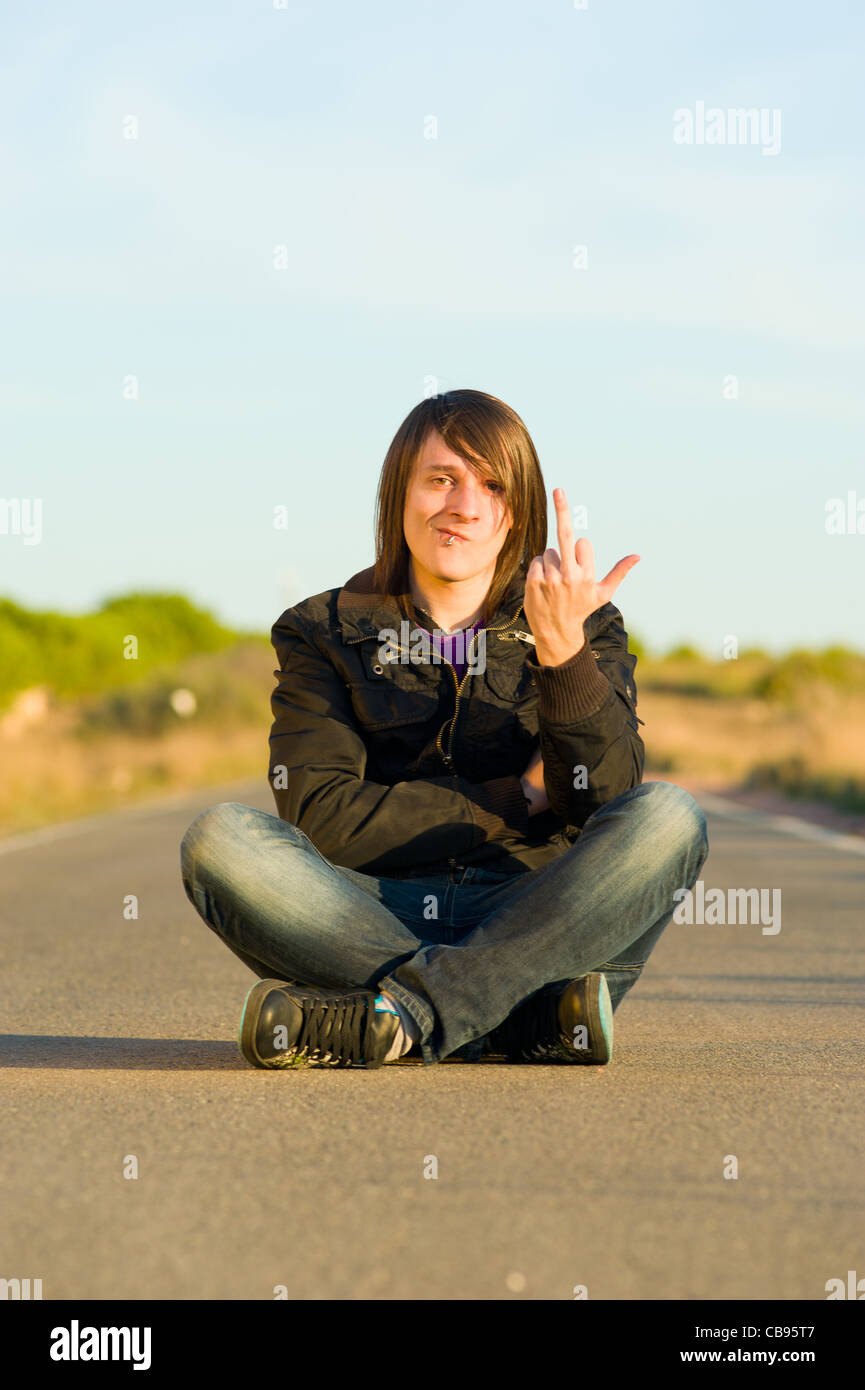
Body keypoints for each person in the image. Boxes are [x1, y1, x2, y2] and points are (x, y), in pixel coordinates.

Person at [180, 388, 708, 1070]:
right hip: (370, 912)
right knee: (221, 840)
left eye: (491, 485)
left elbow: (602, 802)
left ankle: (400, 1015)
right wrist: (516, 798)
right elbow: (324, 818)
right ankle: (519, 1021)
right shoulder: (320, 630)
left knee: (667, 816)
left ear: (514, 510)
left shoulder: (585, 624)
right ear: (400, 492)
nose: (464, 504)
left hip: (537, 911)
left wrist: (563, 656)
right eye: (441, 479)